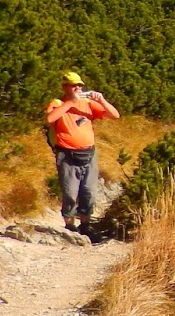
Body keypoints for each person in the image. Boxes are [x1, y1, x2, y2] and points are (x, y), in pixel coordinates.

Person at [45, 71, 120, 233]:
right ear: (65, 87)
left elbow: (115, 115)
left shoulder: (87, 103)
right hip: (67, 155)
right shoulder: (58, 103)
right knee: (70, 192)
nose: (78, 88)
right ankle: (69, 224)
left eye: (79, 85)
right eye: (74, 85)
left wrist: (101, 100)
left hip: (89, 154)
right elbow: (50, 119)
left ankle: (85, 225)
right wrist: (70, 103)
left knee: (89, 192)